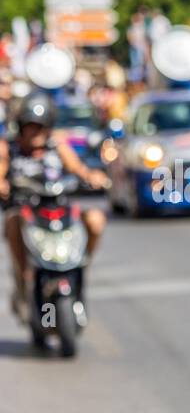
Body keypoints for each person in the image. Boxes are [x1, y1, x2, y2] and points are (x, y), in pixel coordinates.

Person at [1, 92, 110, 315]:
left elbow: (79, 169)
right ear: (21, 126)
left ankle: (79, 263)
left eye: (39, 127)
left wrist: (93, 177)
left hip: (58, 211)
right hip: (27, 213)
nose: (34, 132)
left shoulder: (57, 147)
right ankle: (24, 281)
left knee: (95, 219)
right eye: (30, 126)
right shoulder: (9, 149)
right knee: (12, 221)